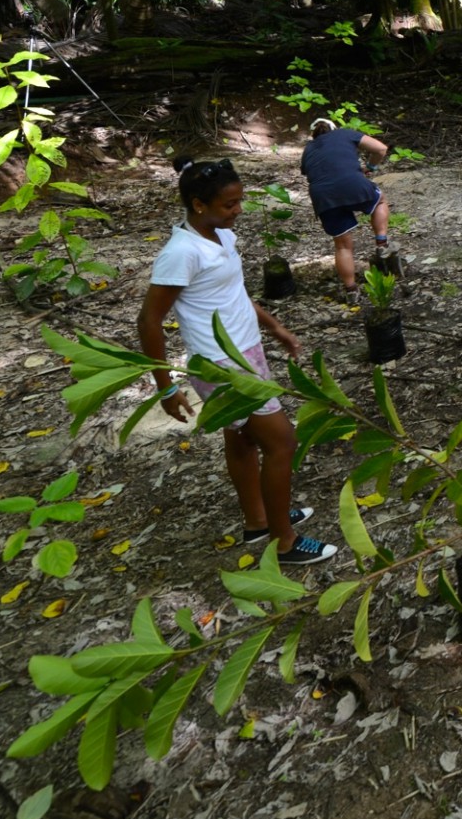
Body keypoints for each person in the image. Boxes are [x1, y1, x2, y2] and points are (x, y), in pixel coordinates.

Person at [139, 157, 336, 566]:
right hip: (221, 364)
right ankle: (285, 543)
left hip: (245, 349)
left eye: (239, 201)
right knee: (282, 443)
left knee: (243, 439)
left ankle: (259, 520)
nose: (238, 210)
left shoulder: (221, 235)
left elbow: (234, 293)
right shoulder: (181, 252)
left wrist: (274, 327)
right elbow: (149, 320)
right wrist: (166, 387)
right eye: (229, 204)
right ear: (198, 205)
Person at [300, 118, 391, 295]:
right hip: (352, 183)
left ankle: (351, 291)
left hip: (323, 197)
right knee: (380, 201)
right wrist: (370, 167)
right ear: (334, 128)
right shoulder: (345, 134)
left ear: (313, 134)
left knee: (342, 246)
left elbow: (309, 171)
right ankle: (381, 244)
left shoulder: (308, 149)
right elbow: (381, 148)